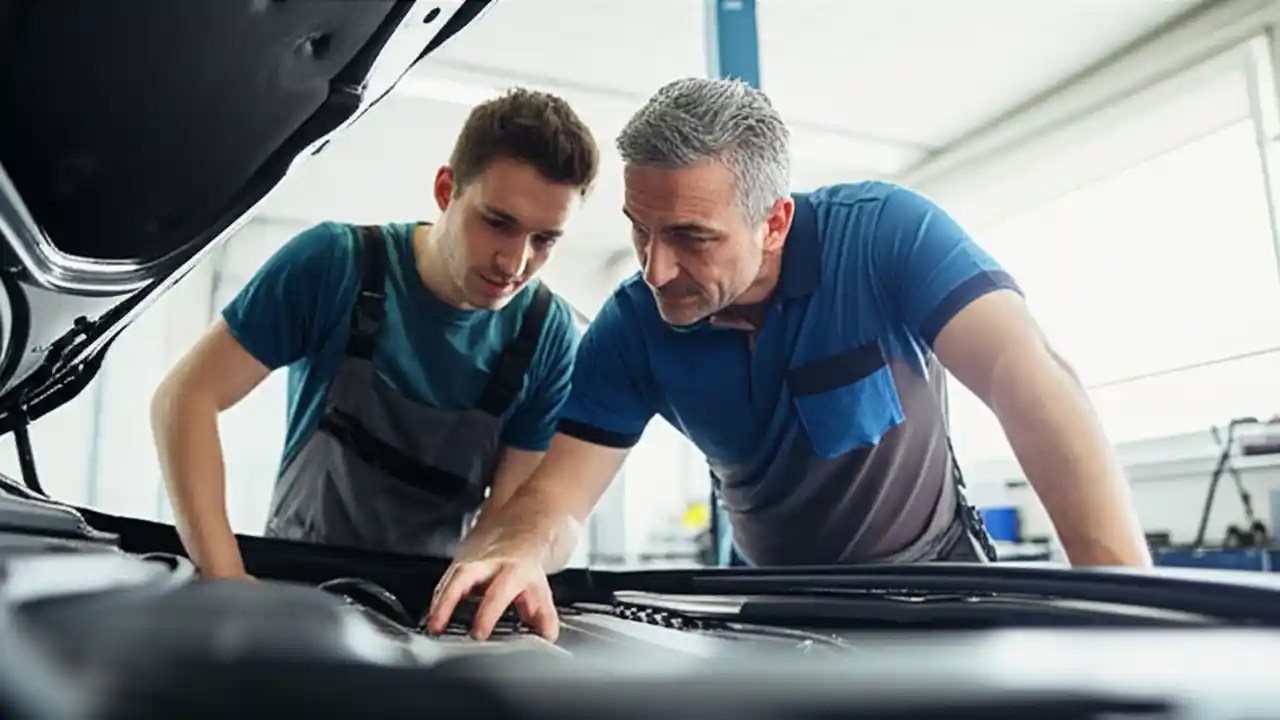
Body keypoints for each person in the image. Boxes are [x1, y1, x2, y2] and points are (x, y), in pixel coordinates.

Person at [426, 77, 1153, 642]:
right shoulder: (631, 327)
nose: (655, 269)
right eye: (640, 230)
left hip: (942, 586)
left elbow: (1024, 377)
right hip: (779, 610)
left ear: (773, 223)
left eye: (691, 237)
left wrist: (1125, 601)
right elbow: (557, 497)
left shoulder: (884, 237)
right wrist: (517, 551)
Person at [150, 88, 599, 580]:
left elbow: (506, 520)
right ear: (446, 191)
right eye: (498, 223)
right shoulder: (333, 264)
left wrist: (458, 609)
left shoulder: (548, 336)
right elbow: (185, 398)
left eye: (544, 239)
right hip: (294, 587)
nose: (514, 263)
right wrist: (227, 580)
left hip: (432, 601)